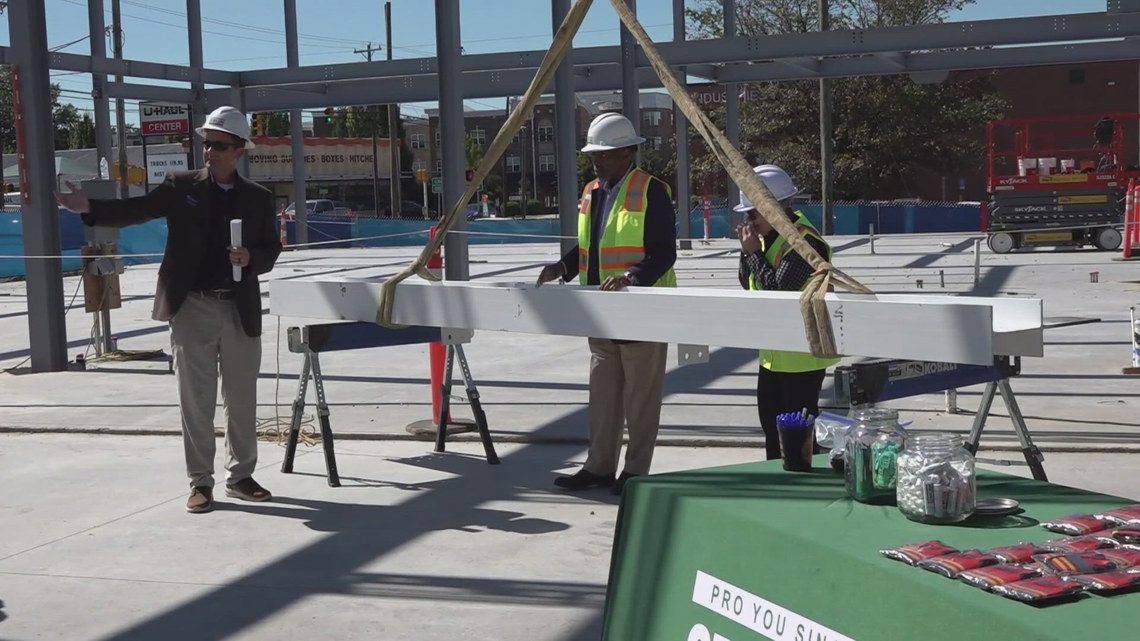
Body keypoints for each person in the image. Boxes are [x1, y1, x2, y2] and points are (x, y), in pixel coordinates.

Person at [55, 106, 282, 514]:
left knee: (242, 396)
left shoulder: (259, 198)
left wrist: (253, 258)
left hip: (239, 308)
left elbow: (272, 248)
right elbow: (138, 209)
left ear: (240, 151)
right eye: (206, 143)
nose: (209, 151)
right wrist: (88, 206)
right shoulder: (181, 186)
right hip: (192, 305)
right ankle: (200, 482)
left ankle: (241, 476)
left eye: (219, 145)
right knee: (195, 399)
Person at [535, 112, 677, 495]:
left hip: (641, 311)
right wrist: (562, 267)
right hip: (600, 313)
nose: (597, 161)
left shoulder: (652, 191)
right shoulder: (592, 192)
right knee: (603, 397)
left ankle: (634, 473)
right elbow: (588, 246)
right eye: (594, 155)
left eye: (605, 154)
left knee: (640, 400)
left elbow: (664, 253)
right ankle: (598, 467)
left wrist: (632, 277)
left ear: (628, 152)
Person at [734, 164, 840, 461]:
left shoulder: (805, 242)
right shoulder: (769, 240)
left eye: (752, 214)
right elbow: (748, 283)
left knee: (797, 437)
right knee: (771, 428)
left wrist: (753, 253)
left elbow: (777, 291)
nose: (749, 221)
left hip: (801, 358)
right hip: (773, 355)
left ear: (772, 209)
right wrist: (748, 253)